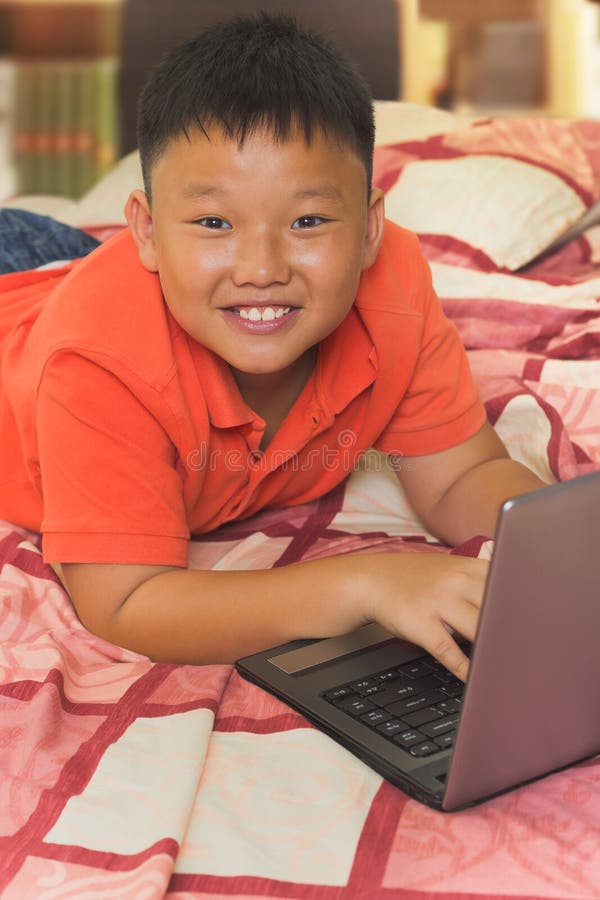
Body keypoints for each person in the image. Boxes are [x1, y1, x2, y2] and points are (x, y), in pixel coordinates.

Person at [0, 13, 546, 679]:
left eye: (309, 220)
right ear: (145, 232)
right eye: (212, 221)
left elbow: (460, 475)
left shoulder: (395, 286)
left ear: (372, 228)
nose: (261, 267)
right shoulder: (98, 362)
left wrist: (557, 556)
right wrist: (364, 585)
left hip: (69, 276)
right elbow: (127, 601)